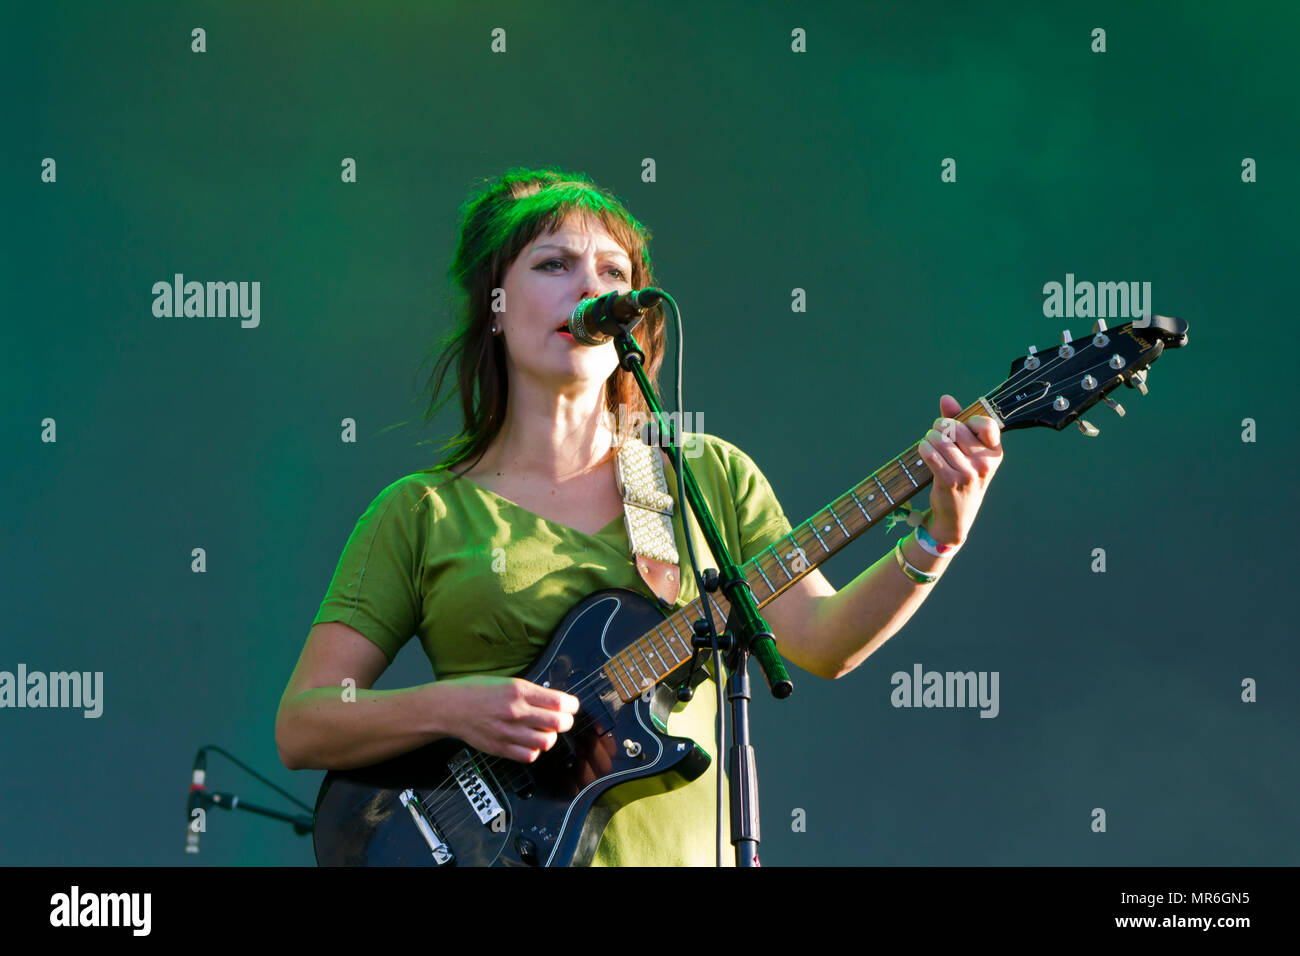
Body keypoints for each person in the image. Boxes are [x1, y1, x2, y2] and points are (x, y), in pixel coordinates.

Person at [274, 166, 1005, 866]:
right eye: (554, 263)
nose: (591, 286)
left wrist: (937, 536)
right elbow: (305, 722)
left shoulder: (703, 475)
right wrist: (451, 707)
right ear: (494, 306)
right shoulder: (422, 511)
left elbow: (822, 641)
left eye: (614, 273)